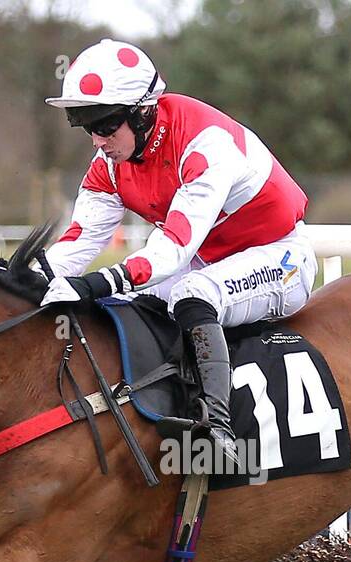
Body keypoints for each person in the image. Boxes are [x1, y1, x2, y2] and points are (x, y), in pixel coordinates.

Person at [39, 38, 317, 471]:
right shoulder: (111, 163)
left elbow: (172, 247)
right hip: (209, 258)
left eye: (106, 125)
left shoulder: (205, 143)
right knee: (129, 304)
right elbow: (78, 240)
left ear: (143, 111)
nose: (97, 140)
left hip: (279, 258)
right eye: (85, 125)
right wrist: (31, 281)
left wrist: (97, 282)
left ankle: (218, 429)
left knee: (190, 292)